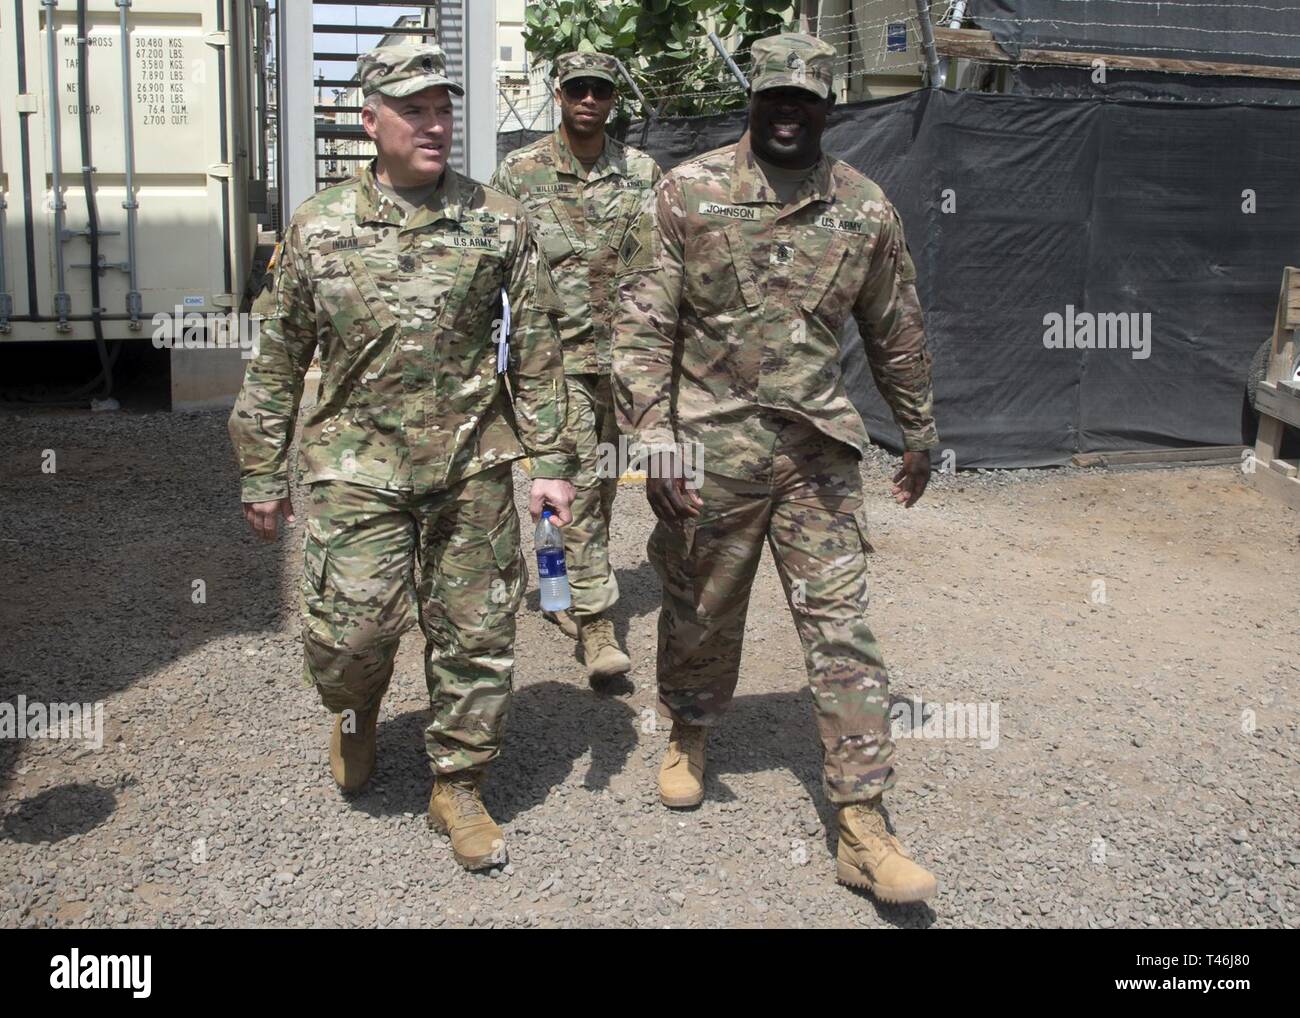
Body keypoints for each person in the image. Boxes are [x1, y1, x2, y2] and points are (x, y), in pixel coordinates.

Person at [228, 44, 575, 871]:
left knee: (477, 634)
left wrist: (551, 463)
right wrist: (261, 471)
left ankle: (458, 782)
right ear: (370, 119)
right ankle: (355, 714)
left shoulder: (497, 220)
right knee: (347, 644)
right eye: (413, 108)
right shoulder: (320, 227)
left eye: (443, 107)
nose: (434, 123)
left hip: (470, 466)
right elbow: (278, 358)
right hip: (356, 471)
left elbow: (536, 350)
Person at [612, 33, 939, 904]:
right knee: (702, 608)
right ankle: (689, 729)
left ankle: (864, 826)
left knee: (842, 627)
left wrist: (918, 429)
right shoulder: (688, 192)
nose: (789, 114)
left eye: (806, 101)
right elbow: (643, 325)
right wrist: (652, 436)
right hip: (708, 451)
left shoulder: (865, 208)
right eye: (775, 99)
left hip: (817, 454)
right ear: (752, 102)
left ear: (828, 108)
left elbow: (894, 327)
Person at [491, 52, 661, 684]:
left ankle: (559, 581)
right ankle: (596, 624)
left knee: (604, 484)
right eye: (576, 88)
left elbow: (660, 265)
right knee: (581, 485)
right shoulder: (520, 170)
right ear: (558, 94)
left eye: (600, 90)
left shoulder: (641, 171)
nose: (588, 98)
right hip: (554, 360)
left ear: (613, 99)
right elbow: (497, 262)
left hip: (622, 360)